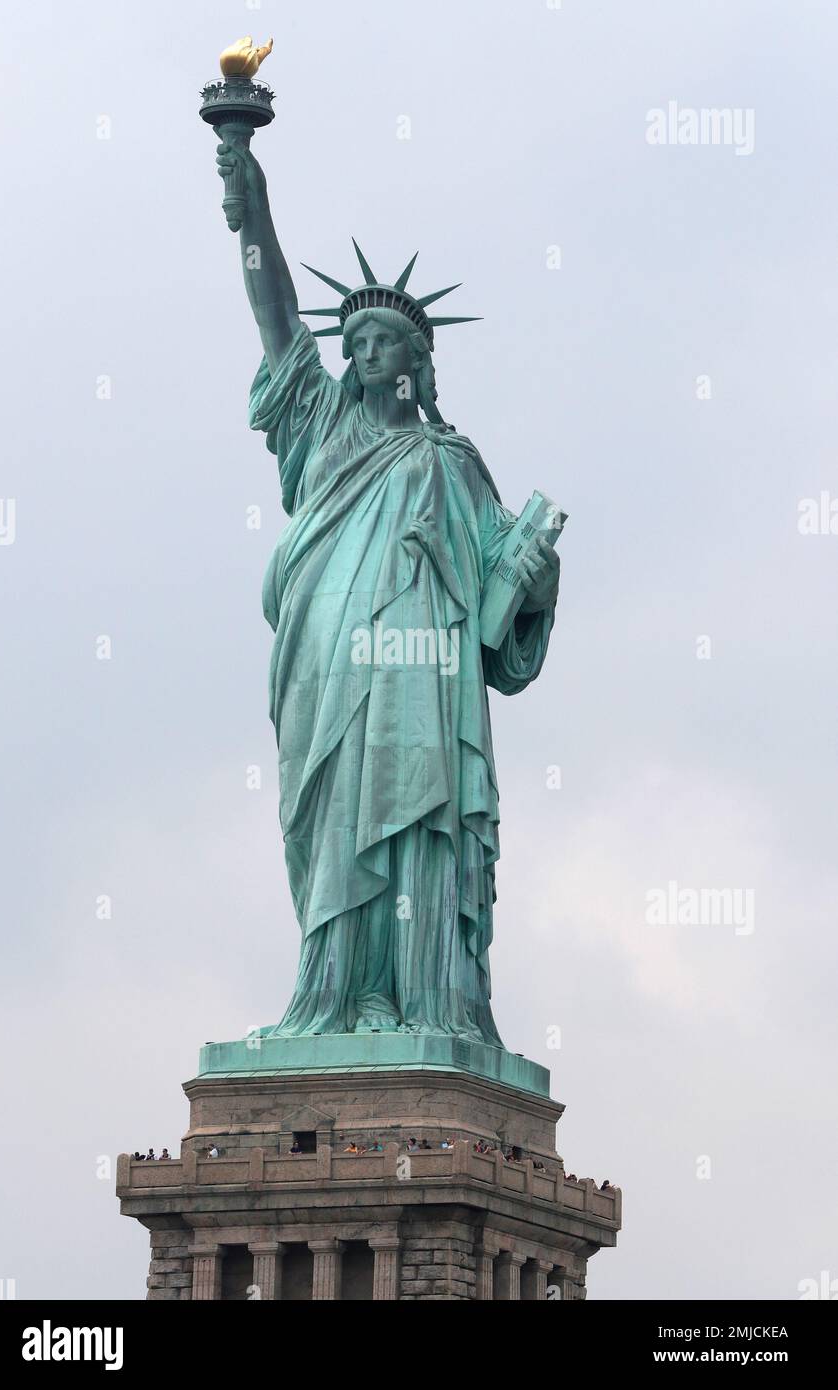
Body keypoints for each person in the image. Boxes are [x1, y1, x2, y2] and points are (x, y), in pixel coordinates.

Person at [213, 139, 561, 1045]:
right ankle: (334, 992)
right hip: (326, 660)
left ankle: (423, 999)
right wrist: (246, 187)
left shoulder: (452, 464)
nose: (367, 354)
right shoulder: (320, 422)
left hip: (424, 677)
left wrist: (534, 575)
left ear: (421, 361)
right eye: (356, 342)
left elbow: (498, 616)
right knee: (331, 811)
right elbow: (274, 311)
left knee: (421, 816)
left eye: (386, 343)